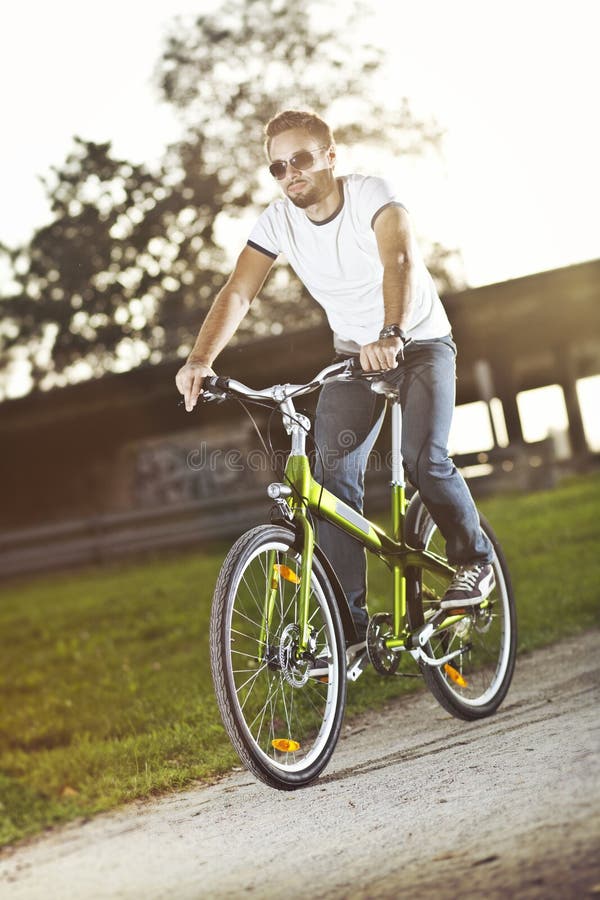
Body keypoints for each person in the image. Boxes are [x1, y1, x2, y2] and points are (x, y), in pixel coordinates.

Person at [176, 109, 495, 639]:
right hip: (353, 356)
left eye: (300, 159)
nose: (290, 174)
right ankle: (349, 624)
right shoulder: (278, 221)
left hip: (418, 342)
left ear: (330, 156)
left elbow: (399, 260)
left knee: (423, 458)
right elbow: (238, 291)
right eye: (277, 167)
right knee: (330, 481)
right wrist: (200, 359)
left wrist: (392, 332)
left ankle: (474, 561)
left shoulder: (372, 194)